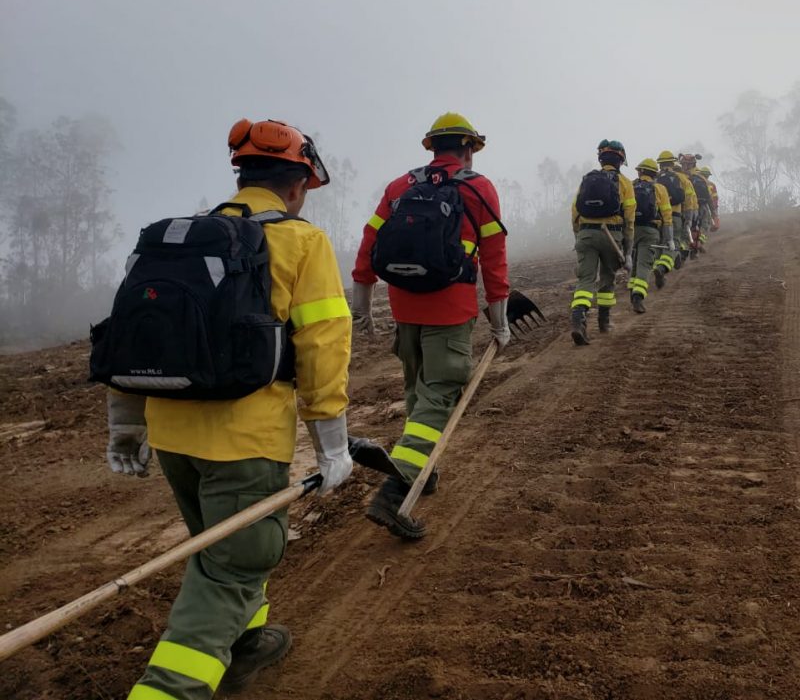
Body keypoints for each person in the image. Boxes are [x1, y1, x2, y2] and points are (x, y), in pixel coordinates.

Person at [107, 118, 354, 698]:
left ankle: (247, 646)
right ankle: (167, 689)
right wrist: (333, 446)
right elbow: (323, 347)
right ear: (298, 186)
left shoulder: (173, 240)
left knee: (220, 551)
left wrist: (126, 424)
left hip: (173, 436)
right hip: (245, 444)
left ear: (240, 175)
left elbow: (129, 336)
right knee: (234, 568)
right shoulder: (302, 242)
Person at [352, 112, 510, 539]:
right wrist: (500, 321)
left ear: (432, 147)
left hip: (404, 306)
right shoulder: (478, 187)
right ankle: (396, 490)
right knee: (438, 396)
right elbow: (493, 256)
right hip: (450, 309)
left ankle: (426, 468)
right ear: (468, 148)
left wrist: (363, 306)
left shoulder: (399, 186)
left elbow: (369, 243)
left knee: (418, 391)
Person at [569, 139, 635, 344]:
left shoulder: (587, 179)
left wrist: (579, 237)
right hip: (611, 236)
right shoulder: (625, 183)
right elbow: (629, 219)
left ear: (601, 159)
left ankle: (578, 319)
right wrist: (628, 252)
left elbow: (574, 212)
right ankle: (604, 322)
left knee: (585, 279)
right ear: (620, 160)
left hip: (586, 234)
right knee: (607, 278)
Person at [628, 158, 673, 312]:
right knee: (644, 264)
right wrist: (670, 239)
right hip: (650, 230)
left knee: (634, 260)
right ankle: (638, 296)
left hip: (631, 229)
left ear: (640, 172)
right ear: (655, 174)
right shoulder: (660, 189)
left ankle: (631, 290)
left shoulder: (631, 186)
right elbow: (667, 216)